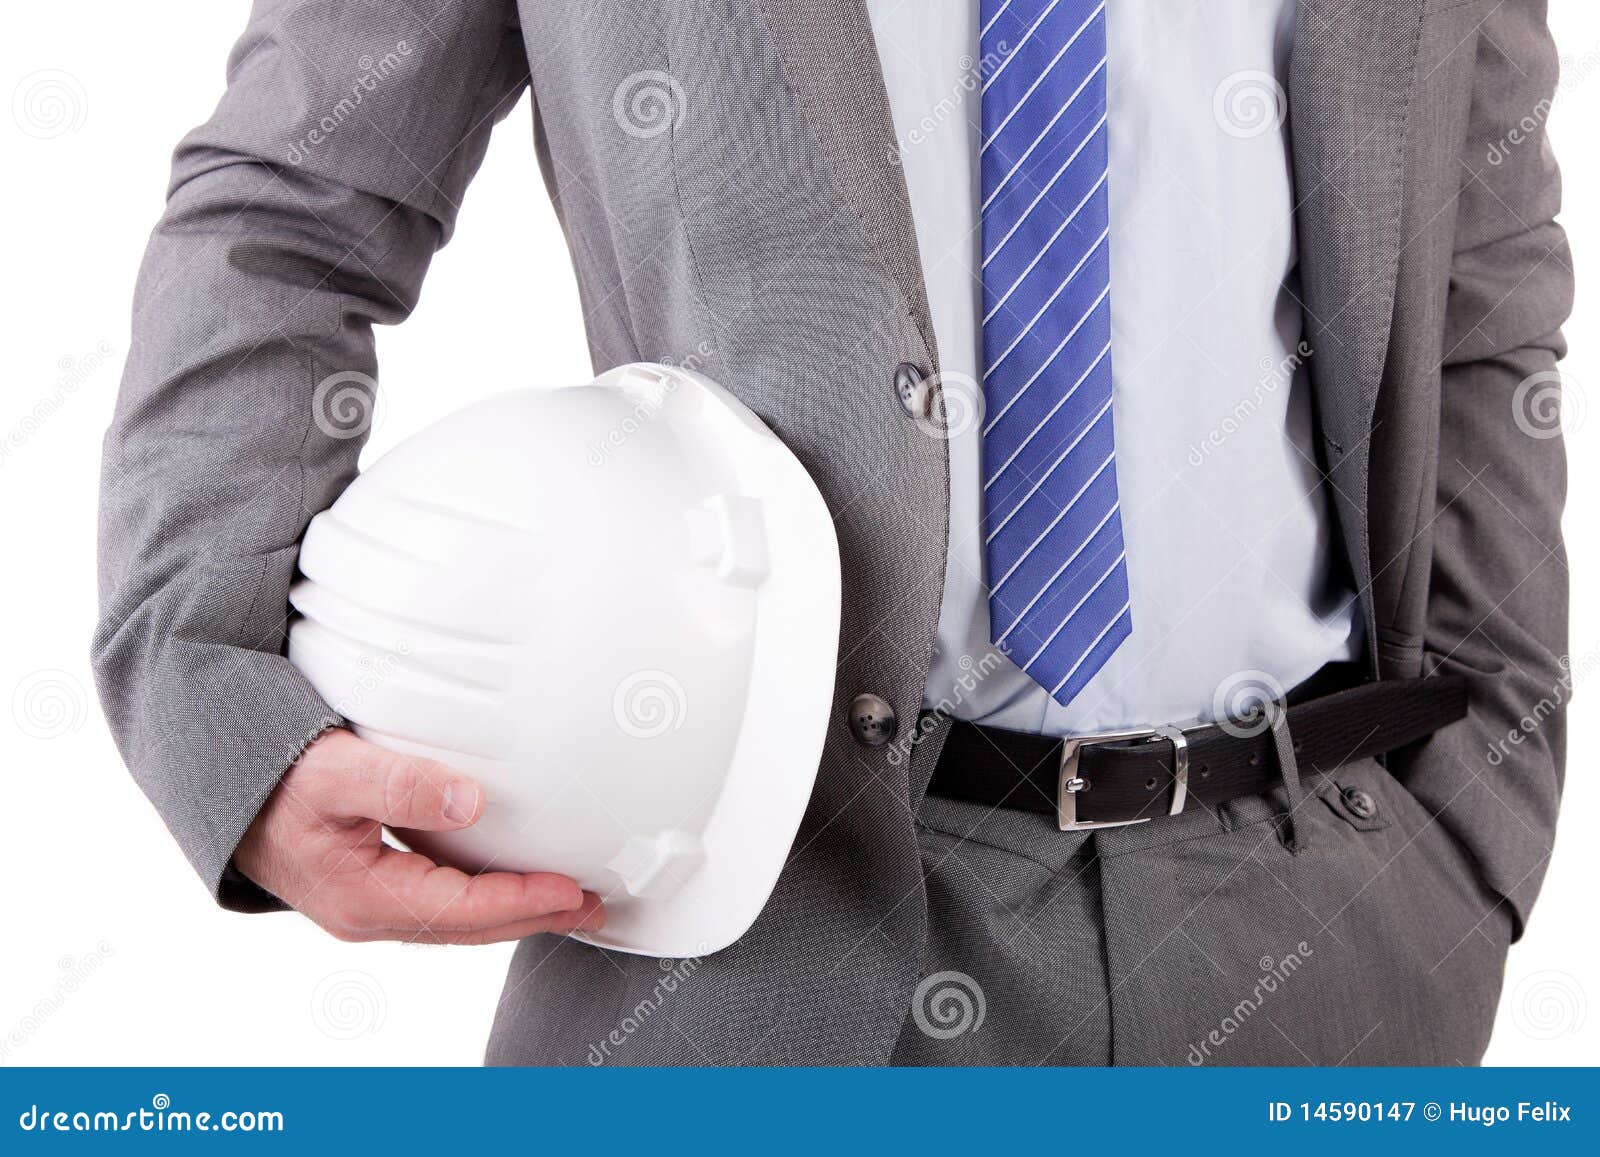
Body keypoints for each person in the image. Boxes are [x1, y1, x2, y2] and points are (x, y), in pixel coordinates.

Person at [95, 0, 1571, 1065]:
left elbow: (1482, 293)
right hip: (760, 927)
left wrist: (1481, 823)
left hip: (1325, 939)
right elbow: (293, 207)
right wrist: (217, 696)